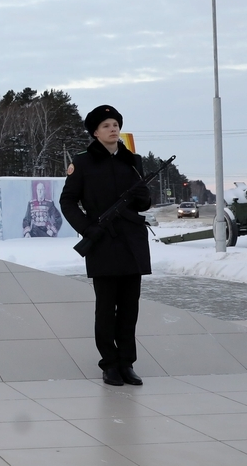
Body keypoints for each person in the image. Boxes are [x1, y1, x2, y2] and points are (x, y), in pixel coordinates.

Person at [59, 105, 152, 387]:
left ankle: (127, 363)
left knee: (129, 307)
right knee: (106, 307)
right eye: (106, 126)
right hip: (101, 241)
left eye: (115, 124)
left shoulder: (132, 161)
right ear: (95, 133)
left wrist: (142, 196)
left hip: (131, 241)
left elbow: (144, 203)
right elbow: (67, 201)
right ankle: (109, 364)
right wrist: (87, 228)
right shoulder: (83, 162)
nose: (113, 129)